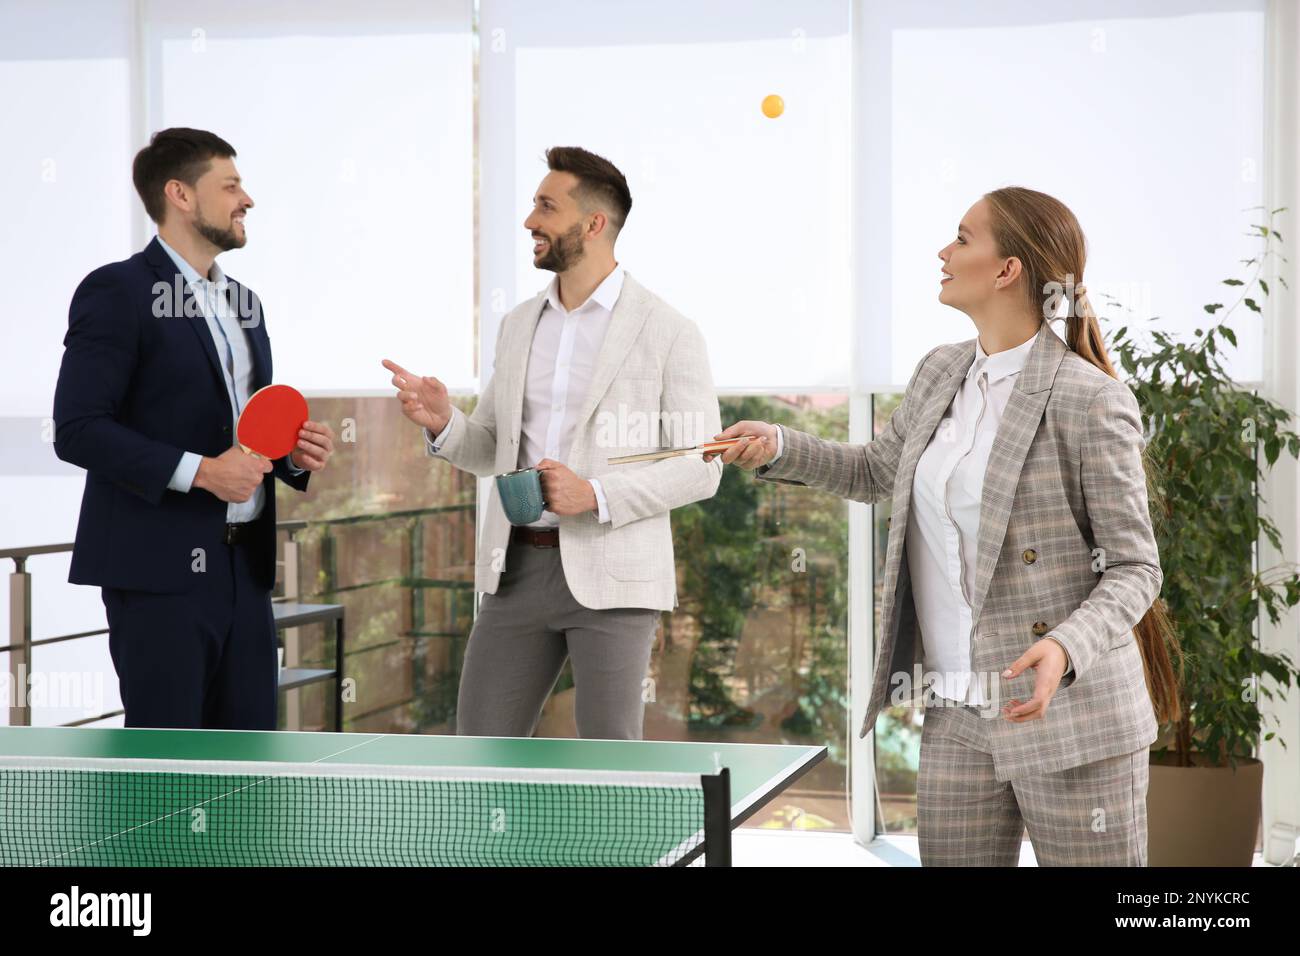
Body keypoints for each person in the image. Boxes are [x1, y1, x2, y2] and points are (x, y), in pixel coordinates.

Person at [710, 186, 1181, 865]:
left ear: (1006, 270)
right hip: (957, 711)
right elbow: (877, 470)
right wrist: (781, 445)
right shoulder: (941, 371)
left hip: (1069, 718)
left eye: (962, 238)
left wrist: (1065, 648)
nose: (943, 251)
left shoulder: (1089, 399)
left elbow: (1136, 567)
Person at [384, 146, 721, 739]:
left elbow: (702, 466)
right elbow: (491, 447)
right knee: (480, 751)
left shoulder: (670, 331)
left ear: (593, 224)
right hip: (515, 570)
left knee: (610, 770)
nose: (529, 221)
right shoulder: (518, 325)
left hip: (615, 579)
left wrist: (594, 494)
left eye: (546, 206)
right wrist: (443, 423)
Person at [53, 128, 335, 730]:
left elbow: (249, 431)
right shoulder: (117, 291)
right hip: (160, 576)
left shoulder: (246, 304)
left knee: (249, 773)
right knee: (167, 775)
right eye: (230, 185)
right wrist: (204, 473)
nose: (247, 200)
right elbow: (77, 429)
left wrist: (292, 456)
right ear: (180, 194)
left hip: (245, 575)